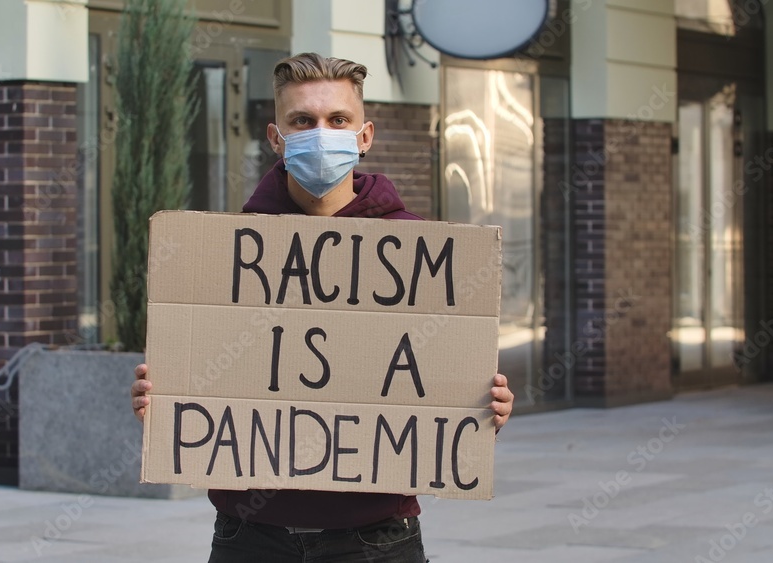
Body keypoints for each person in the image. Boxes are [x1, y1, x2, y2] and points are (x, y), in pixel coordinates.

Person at [130, 52, 514, 562]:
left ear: (365, 135)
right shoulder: (225, 253)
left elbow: (440, 382)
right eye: (302, 121)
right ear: (276, 138)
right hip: (250, 537)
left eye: (338, 120)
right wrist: (165, 399)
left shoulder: (419, 250)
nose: (320, 133)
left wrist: (479, 405)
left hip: (375, 538)